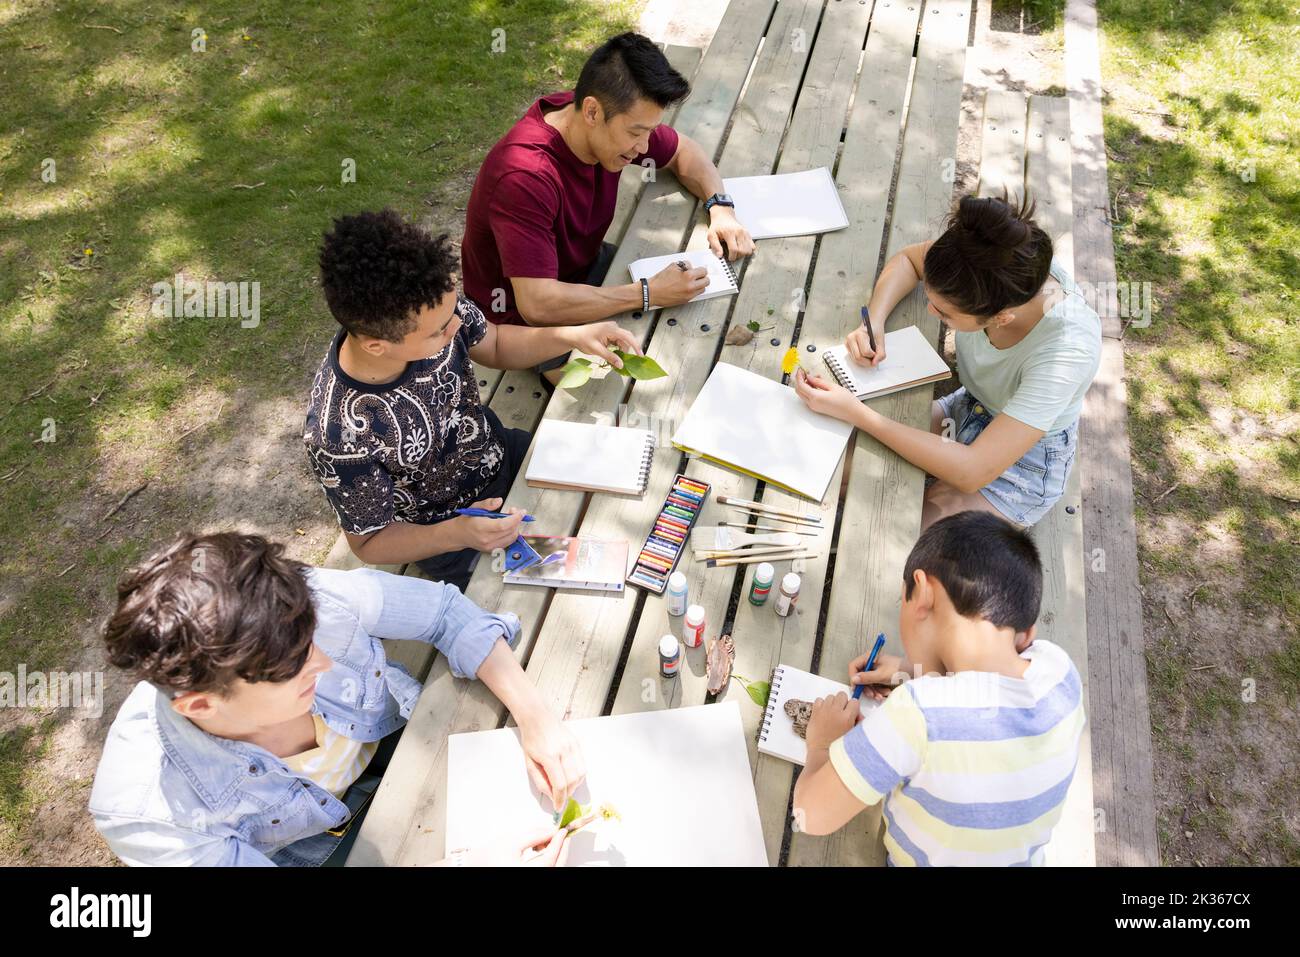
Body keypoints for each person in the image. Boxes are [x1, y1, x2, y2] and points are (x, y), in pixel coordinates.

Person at [89, 532, 585, 866]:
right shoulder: (144, 812)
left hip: (397, 743)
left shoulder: (295, 603)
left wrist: (536, 717)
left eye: (312, 640)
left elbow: (441, 612)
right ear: (201, 706)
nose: (323, 663)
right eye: (290, 669)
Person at [303, 208, 641, 588]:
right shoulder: (337, 433)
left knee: (627, 491)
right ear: (377, 346)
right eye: (440, 331)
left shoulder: (432, 305)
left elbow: (493, 342)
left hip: (502, 454)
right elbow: (369, 541)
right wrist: (458, 534)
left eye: (454, 311)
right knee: (573, 592)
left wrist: (570, 336)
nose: (458, 325)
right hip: (449, 533)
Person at [791, 511, 1085, 866]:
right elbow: (988, 694)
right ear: (1026, 633)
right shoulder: (1060, 672)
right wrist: (910, 670)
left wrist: (822, 743)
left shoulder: (919, 714)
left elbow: (810, 816)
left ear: (923, 591)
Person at [794, 192, 1101, 528]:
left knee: (901, 536)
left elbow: (972, 471)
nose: (931, 311)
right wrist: (875, 321)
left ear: (1001, 317)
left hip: (1023, 464)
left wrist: (858, 413)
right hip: (971, 407)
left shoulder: (1066, 351)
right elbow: (909, 261)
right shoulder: (979, 264)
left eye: (944, 313)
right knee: (830, 460)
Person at [461, 31, 755, 363]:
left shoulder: (602, 111)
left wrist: (720, 208)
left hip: (586, 270)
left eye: (648, 132)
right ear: (591, 113)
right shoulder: (525, 177)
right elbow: (538, 305)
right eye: (635, 133)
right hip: (520, 325)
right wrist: (647, 293)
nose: (644, 148)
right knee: (643, 381)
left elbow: (683, 151)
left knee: (707, 313)